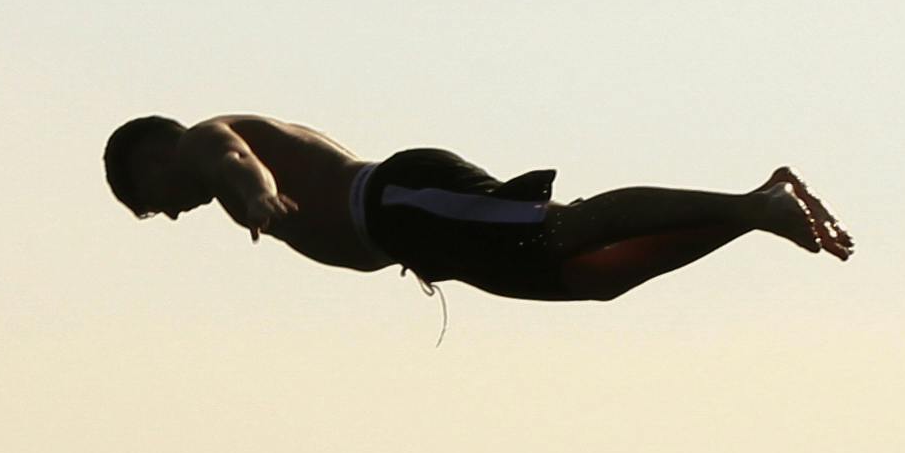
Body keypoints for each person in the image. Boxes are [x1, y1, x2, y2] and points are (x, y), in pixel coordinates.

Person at [106, 115, 849, 304]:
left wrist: (258, 196)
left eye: (151, 202)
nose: (167, 215)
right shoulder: (204, 157)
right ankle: (754, 210)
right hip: (419, 241)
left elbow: (236, 160)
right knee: (591, 278)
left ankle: (754, 206)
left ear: (152, 157)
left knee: (566, 229)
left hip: (403, 201)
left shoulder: (203, 139)